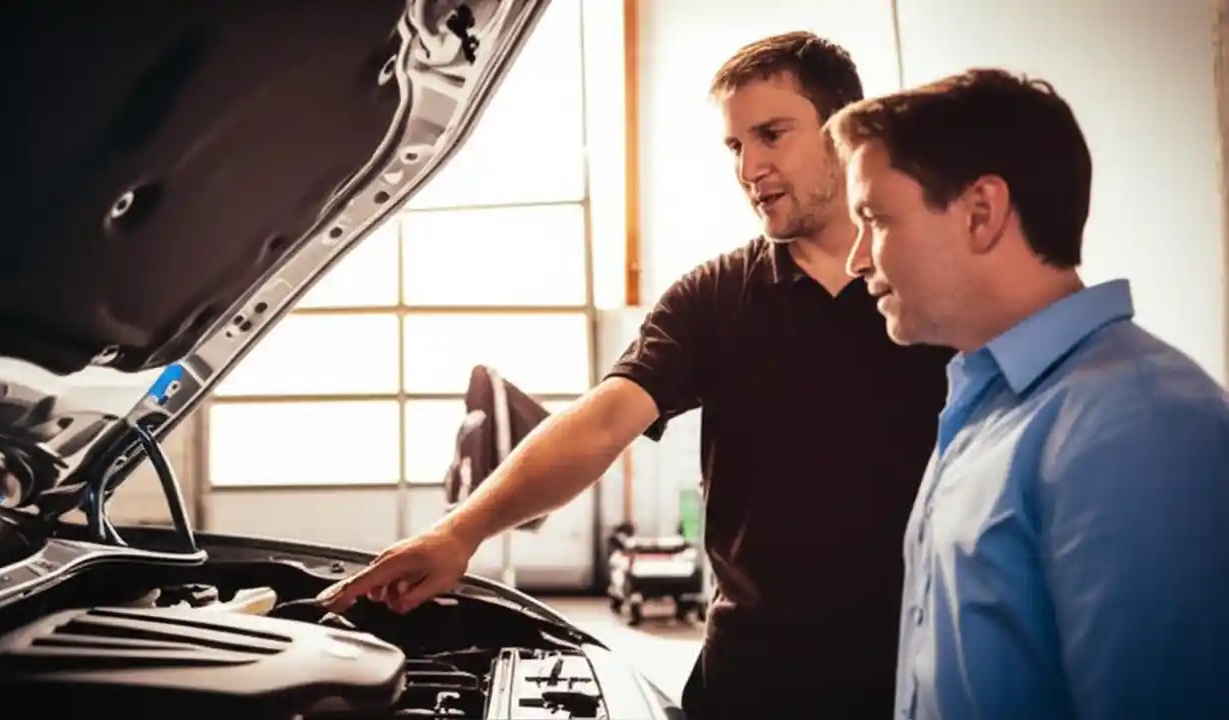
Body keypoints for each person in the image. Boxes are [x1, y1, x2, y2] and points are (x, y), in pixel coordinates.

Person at [322, 32, 953, 717]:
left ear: (843, 133)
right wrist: (460, 531)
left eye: (772, 134)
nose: (750, 167)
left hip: (916, 677)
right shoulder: (713, 297)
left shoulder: (933, 290)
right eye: (736, 147)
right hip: (751, 682)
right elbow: (600, 425)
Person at [824, 68, 1229, 719]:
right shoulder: (989, 406)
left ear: (981, 213)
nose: (858, 258)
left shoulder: (1143, 427)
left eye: (874, 219)